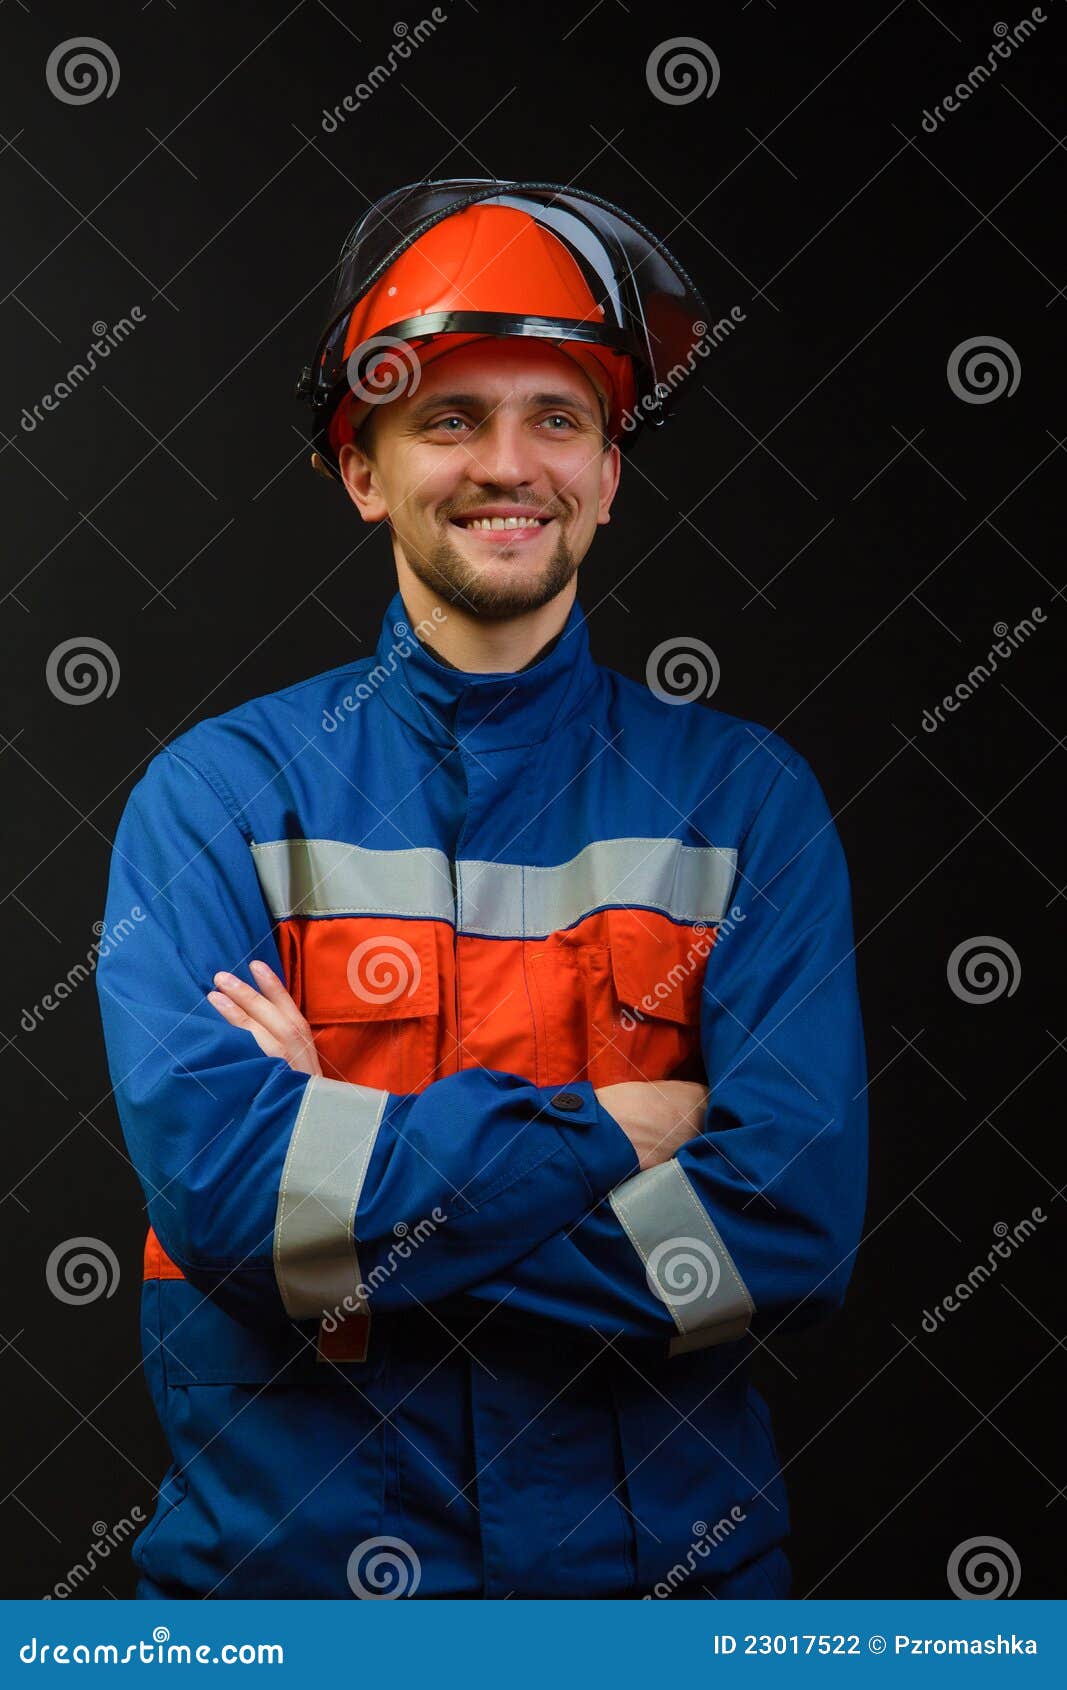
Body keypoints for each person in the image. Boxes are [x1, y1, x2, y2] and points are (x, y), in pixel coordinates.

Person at [96, 179, 868, 1600]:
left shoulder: (746, 806)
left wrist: (343, 1218)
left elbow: (790, 1231)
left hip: (657, 1610)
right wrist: (619, 1130)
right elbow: (223, 1197)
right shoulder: (214, 802)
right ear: (363, 470)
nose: (508, 461)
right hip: (290, 1605)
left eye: (557, 416)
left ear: (609, 471)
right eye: (449, 417)